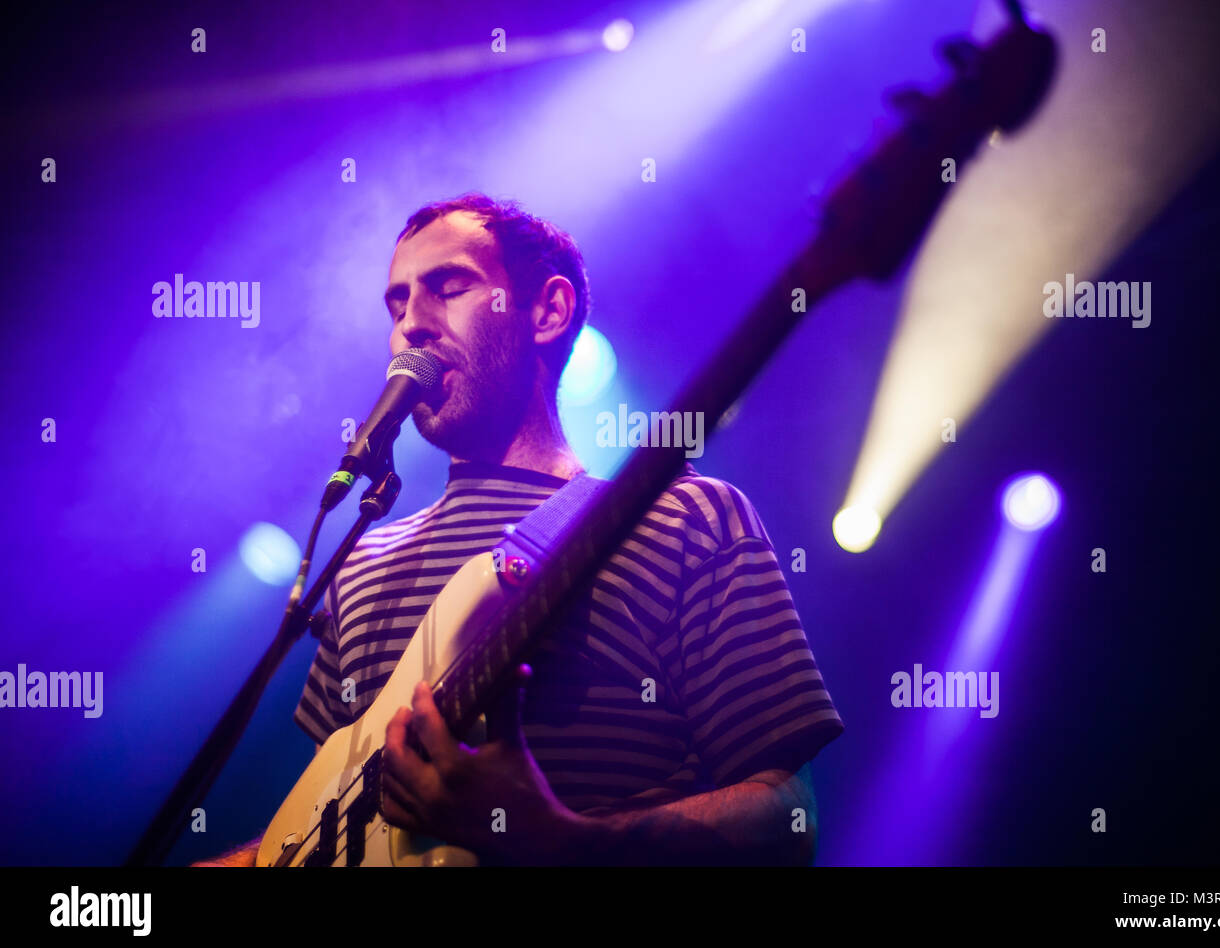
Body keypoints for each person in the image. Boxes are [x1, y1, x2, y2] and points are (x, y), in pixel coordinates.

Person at [196, 193, 842, 866]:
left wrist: (562, 840)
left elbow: (790, 822)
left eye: (449, 287)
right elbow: (327, 827)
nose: (411, 324)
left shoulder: (685, 517)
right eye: (396, 303)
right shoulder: (359, 567)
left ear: (547, 312)